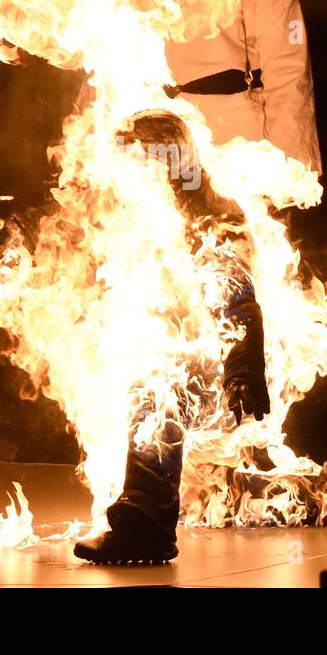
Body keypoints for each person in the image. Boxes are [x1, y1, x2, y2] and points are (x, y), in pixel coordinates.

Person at [73, 109, 271, 564]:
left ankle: (145, 524)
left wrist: (242, 370)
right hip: (199, 370)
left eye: (139, 161)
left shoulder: (212, 222)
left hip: (228, 378)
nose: (127, 175)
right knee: (153, 368)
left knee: (162, 380)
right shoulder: (136, 216)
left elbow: (238, 303)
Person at [162, 0, 321, 173]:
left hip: (231, 137)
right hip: (149, 132)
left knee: (223, 209)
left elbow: (288, 71)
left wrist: (291, 168)